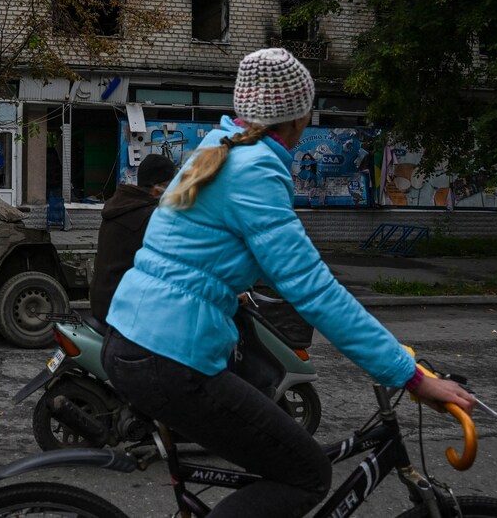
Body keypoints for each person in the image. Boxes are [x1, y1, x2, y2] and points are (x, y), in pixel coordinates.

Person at [100, 48, 475, 518]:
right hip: (170, 357)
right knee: (306, 473)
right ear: (299, 116)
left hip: (137, 339)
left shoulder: (222, 145)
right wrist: (410, 375)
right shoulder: (254, 168)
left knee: (270, 446)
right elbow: (313, 290)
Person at [89, 153, 175, 324]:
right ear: (159, 187)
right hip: (122, 307)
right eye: (172, 184)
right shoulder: (148, 215)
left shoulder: (122, 205)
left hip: (102, 300)